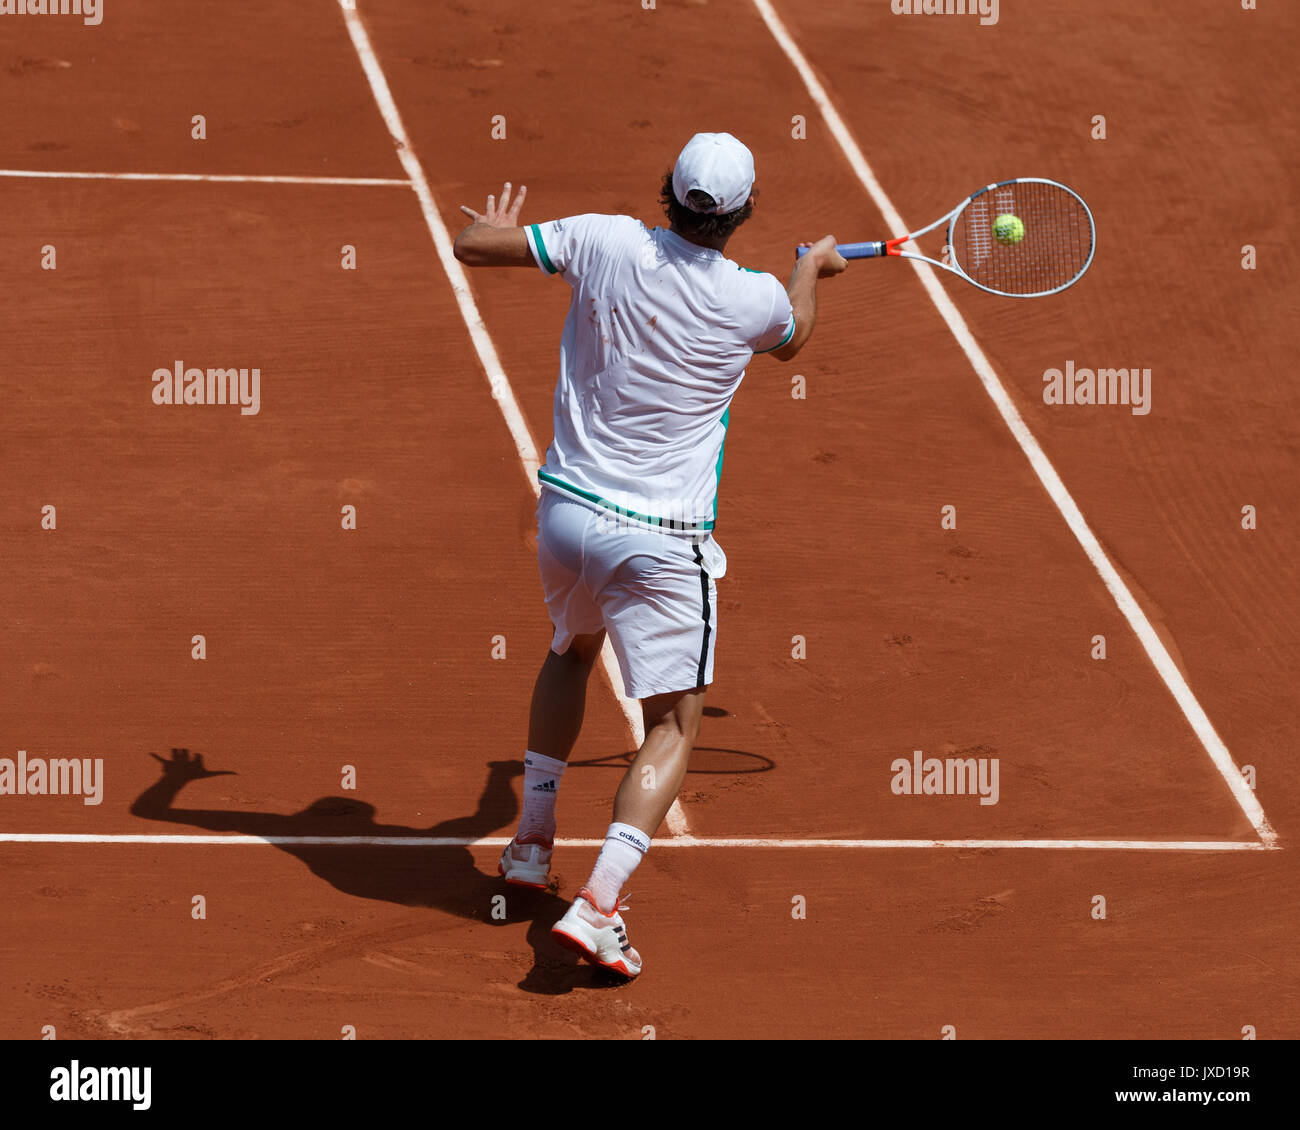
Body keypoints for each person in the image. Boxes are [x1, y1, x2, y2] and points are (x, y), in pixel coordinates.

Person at [454, 132, 846, 978]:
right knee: (673, 721)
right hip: (661, 544)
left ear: (668, 191)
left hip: (566, 519)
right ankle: (598, 908)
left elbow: (475, 246)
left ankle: (529, 846)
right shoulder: (754, 300)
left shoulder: (606, 239)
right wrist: (812, 267)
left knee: (569, 652)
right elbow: (796, 335)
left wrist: (494, 225)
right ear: (743, 213)